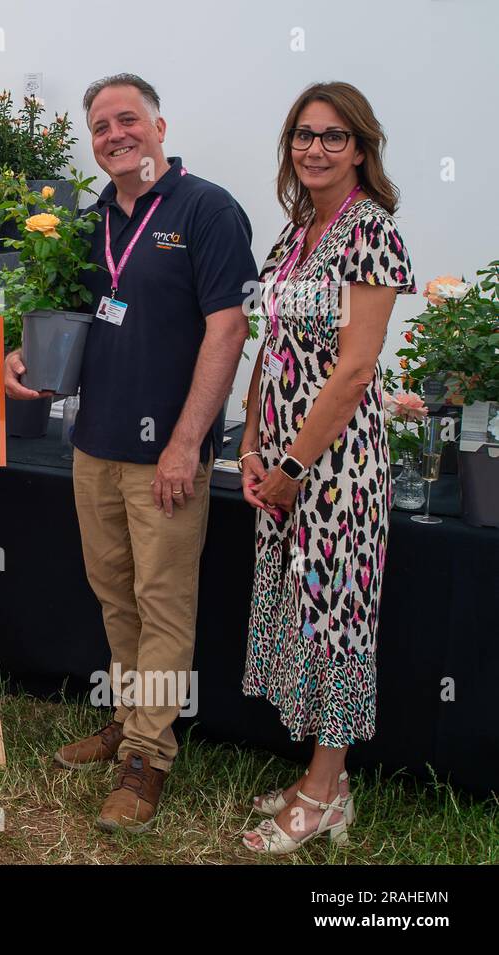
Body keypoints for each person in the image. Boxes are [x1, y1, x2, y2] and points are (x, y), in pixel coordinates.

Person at [4, 73, 257, 832]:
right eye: (100, 126)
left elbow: (228, 330)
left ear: (158, 127)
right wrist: (21, 356)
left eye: (127, 119)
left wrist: (186, 443)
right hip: (95, 444)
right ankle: (127, 718)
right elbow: (68, 317)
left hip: (167, 455)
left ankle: (149, 755)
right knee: (115, 593)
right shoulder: (88, 223)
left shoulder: (207, 209)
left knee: (163, 602)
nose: (115, 135)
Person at [239, 82, 414, 854]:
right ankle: (325, 778)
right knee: (301, 611)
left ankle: (323, 792)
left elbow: (354, 371)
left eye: (333, 136)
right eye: (304, 135)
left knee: (335, 619)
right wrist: (251, 445)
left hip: (337, 467)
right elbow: (269, 346)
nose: (315, 148)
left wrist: (291, 465)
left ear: (361, 149)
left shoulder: (373, 232)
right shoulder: (296, 231)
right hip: (282, 456)